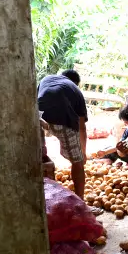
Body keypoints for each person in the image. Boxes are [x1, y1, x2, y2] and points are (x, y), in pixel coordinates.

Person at [38, 69, 87, 198]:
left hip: (39, 118)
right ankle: (80, 201)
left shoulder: (46, 79)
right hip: (61, 120)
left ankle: (45, 197)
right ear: (75, 83)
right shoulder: (76, 91)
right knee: (77, 161)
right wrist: (83, 153)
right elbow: (82, 128)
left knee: (41, 155)